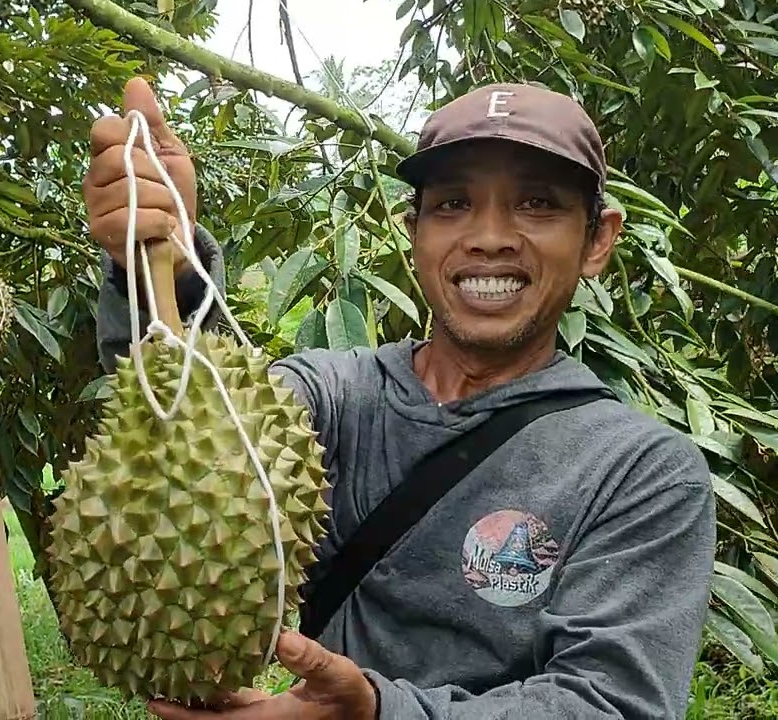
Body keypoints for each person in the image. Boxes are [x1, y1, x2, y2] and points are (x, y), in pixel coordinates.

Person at [82, 77, 716, 720]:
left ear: (598, 239)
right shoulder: (331, 399)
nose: (489, 236)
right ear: (414, 231)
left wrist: (375, 712)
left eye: (537, 203)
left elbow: (614, 703)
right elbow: (186, 430)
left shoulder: (641, 472)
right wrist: (162, 264)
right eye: (453, 204)